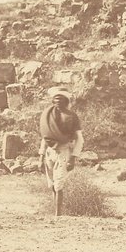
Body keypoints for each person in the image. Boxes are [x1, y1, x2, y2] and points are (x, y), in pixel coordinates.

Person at [38, 88, 84, 217]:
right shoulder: (48, 115)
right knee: (52, 184)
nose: (58, 101)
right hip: (49, 152)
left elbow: (79, 139)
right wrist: (41, 157)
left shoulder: (71, 117)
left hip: (63, 151)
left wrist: (73, 157)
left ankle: (58, 215)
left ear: (66, 101)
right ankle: (55, 212)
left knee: (59, 184)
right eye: (56, 99)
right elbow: (45, 137)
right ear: (52, 101)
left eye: (61, 99)